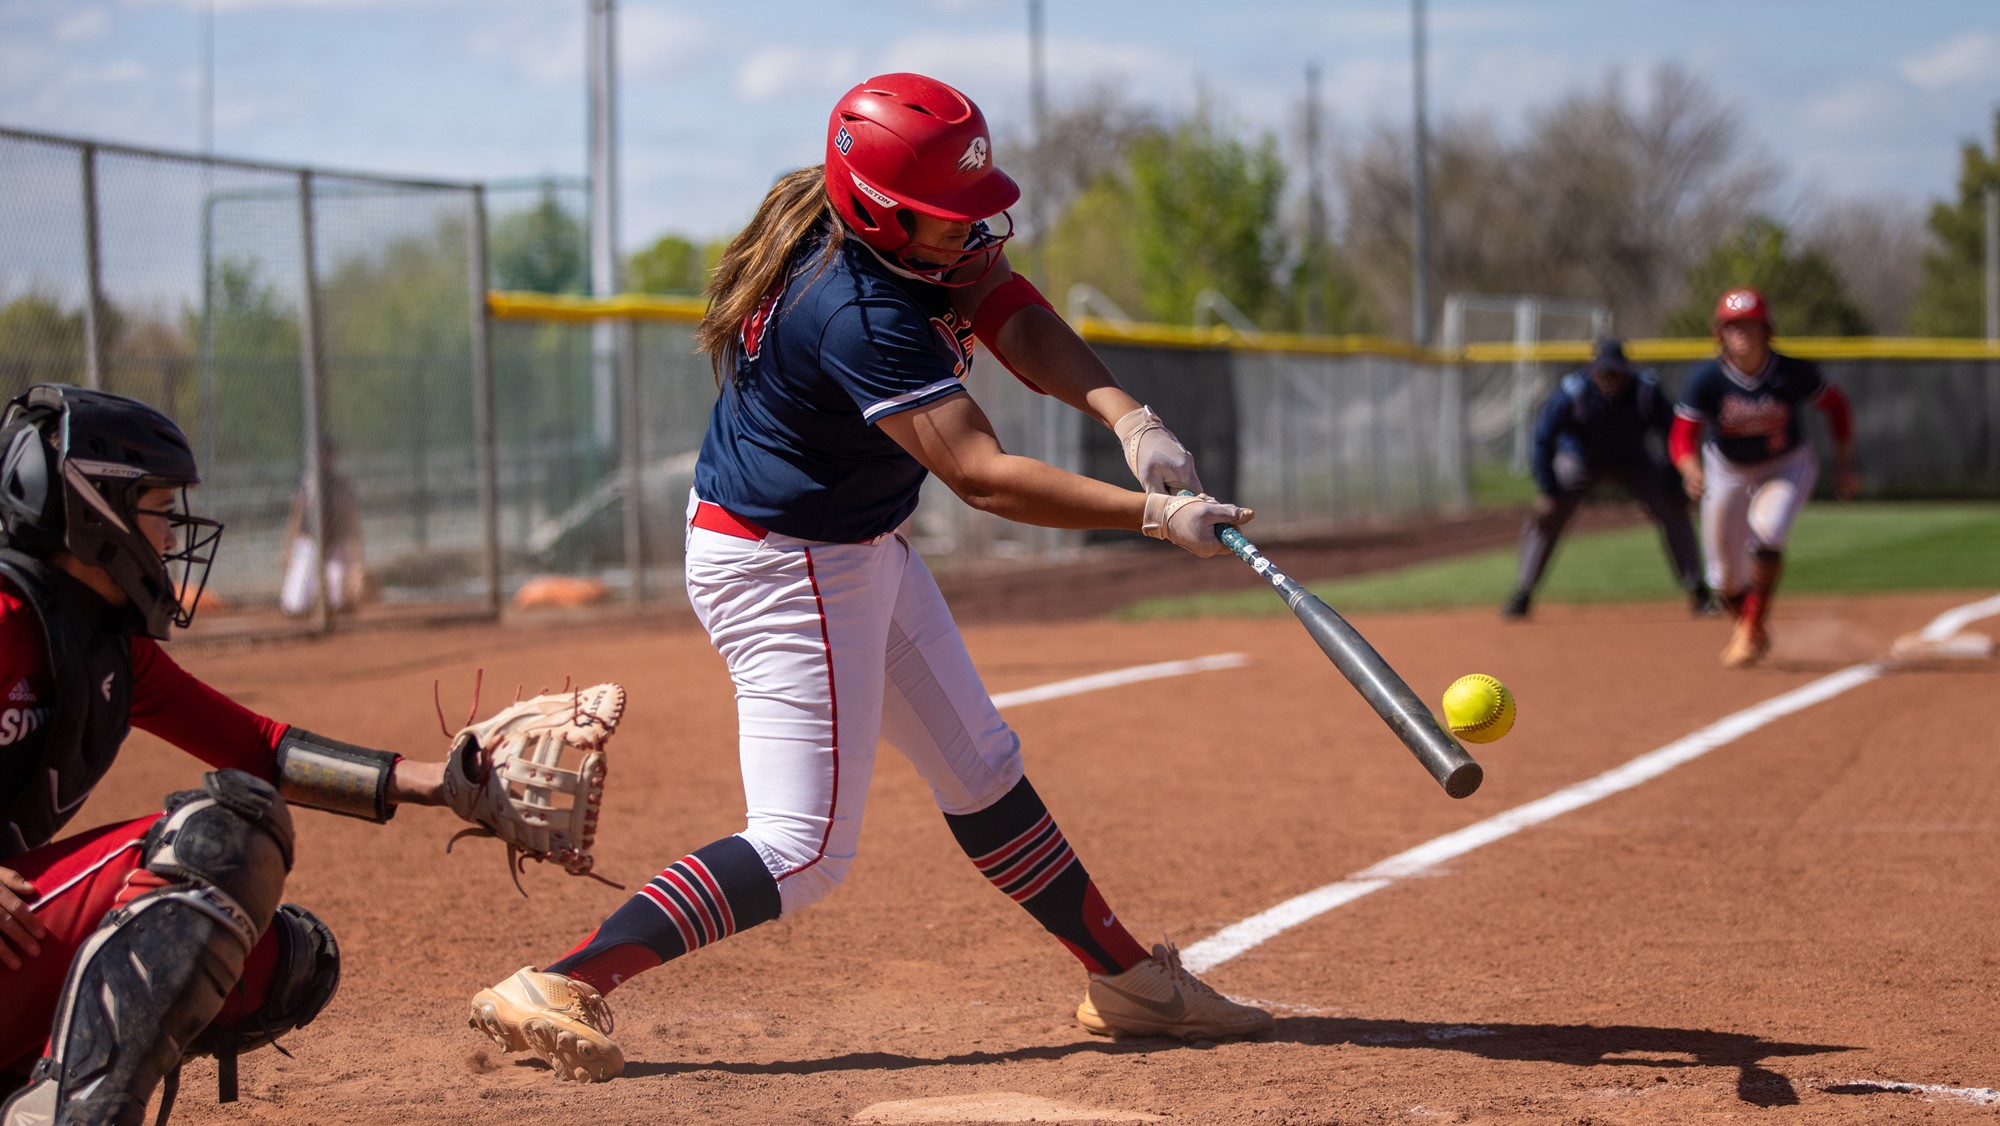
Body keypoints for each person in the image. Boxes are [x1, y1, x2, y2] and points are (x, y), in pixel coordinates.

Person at [467, 72, 1270, 1084]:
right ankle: (560, 979)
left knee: (981, 765)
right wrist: (1149, 516)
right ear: (884, 213)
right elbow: (979, 474)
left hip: (846, 542)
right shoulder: (854, 309)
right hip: (785, 564)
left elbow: (1006, 306)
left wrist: (1127, 416)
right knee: (802, 848)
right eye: (947, 215)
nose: (972, 230)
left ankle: (1126, 979)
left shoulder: (890, 239)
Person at [0, 385, 595, 1125]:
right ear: (97, 510)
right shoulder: (7, 616)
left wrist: (441, 784)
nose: (172, 533)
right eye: (159, 507)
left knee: (284, 960)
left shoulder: (101, 646)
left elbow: (260, 748)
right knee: (218, 839)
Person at [1670, 288, 1859, 667]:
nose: (1741, 333)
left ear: (1767, 330)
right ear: (1720, 332)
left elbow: (1837, 407)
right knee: (1723, 581)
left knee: (1767, 531)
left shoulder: (1791, 372)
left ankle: (1751, 627)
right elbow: (1681, 435)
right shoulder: (1707, 378)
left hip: (1785, 464)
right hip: (1726, 469)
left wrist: (1844, 464)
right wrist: (1690, 469)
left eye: (1750, 325)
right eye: (1733, 326)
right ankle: (1752, 627)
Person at [1502, 338, 1715, 619]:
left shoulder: (1645, 390)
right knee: (1546, 515)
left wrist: (1671, 482)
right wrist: (1548, 491)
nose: (1609, 379)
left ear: (1626, 370)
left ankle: (1698, 591)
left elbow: (1673, 434)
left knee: (1673, 508)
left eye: (1615, 373)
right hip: (1581, 460)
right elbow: (1543, 438)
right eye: (1603, 373)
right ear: (1592, 371)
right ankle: (1523, 592)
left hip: (1634, 461)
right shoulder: (1574, 391)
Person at [278, 441, 367, 617]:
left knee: (338, 603)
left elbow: (351, 525)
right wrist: (288, 548)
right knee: (294, 605)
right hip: (309, 545)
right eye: (321, 453)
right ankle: (312, 597)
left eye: (328, 453)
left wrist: (357, 563)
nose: (324, 458)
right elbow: (296, 517)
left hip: (334, 547)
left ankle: (322, 598)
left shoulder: (341, 485)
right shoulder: (307, 483)